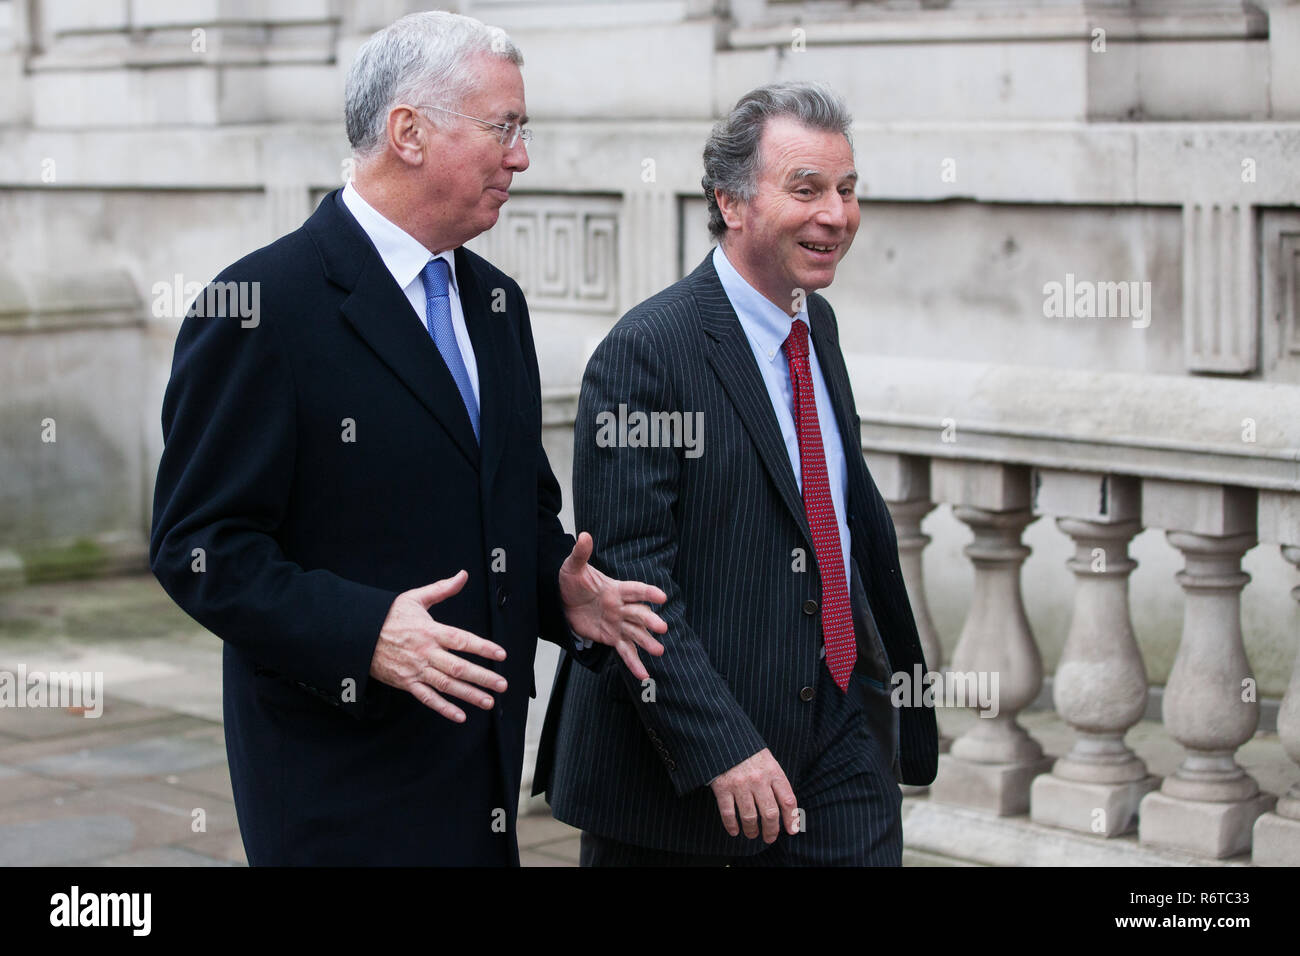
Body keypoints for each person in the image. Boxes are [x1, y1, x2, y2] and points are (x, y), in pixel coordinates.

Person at [149, 11, 665, 866]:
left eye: (522, 129)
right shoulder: (261, 304)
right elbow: (199, 547)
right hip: (339, 780)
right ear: (409, 132)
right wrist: (366, 632)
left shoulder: (497, 303)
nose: (522, 156)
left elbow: (515, 504)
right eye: (503, 128)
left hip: (482, 772)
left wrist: (557, 590)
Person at [535, 82, 938, 866]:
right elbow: (632, 589)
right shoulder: (646, 352)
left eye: (848, 190)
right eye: (807, 189)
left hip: (840, 741)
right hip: (684, 779)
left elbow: (835, 516)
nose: (837, 214)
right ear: (731, 201)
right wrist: (721, 746)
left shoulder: (815, 323)